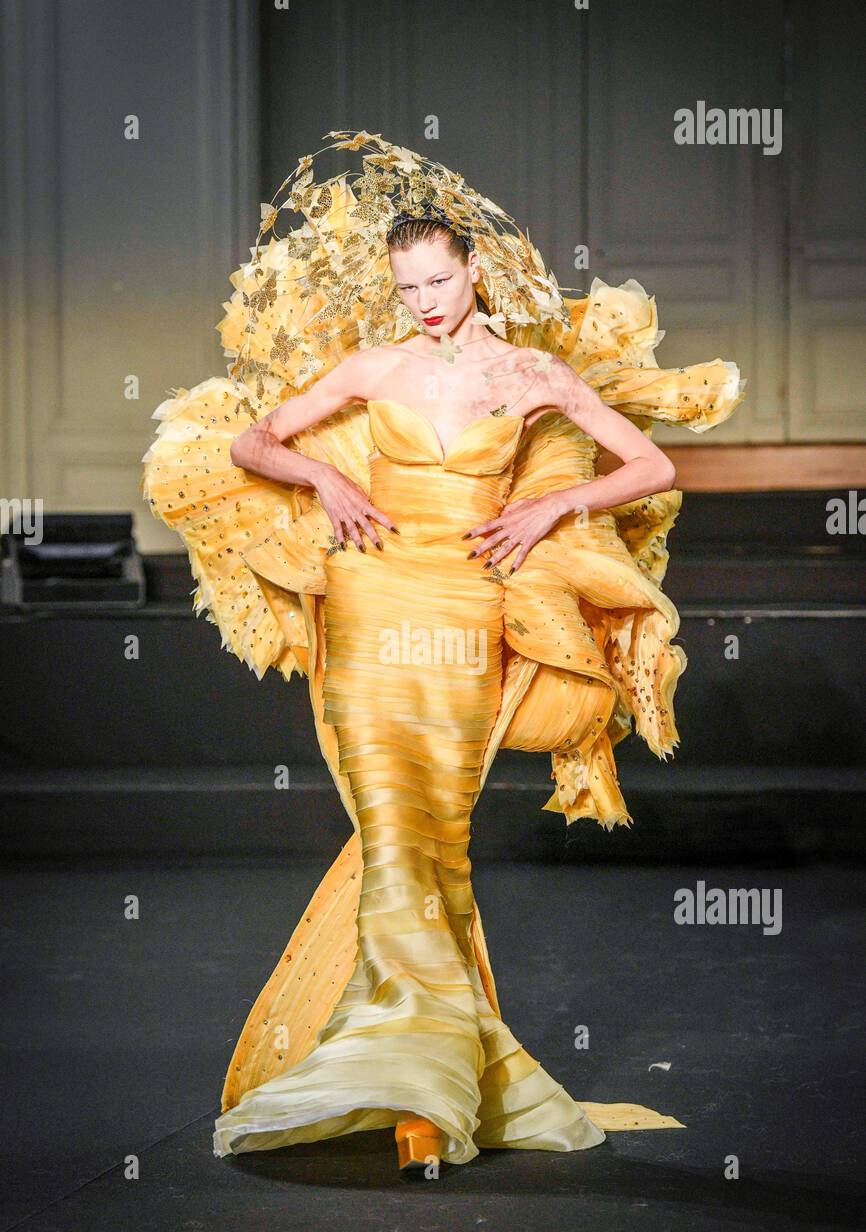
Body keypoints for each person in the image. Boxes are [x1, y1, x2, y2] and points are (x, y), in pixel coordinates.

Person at [141, 130, 746, 1174]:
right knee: (389, 827)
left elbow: (646, 463)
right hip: (371, 601)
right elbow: (251, 442)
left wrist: (554, 500)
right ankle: (401, 1082)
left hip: (468, 607)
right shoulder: (375, 364)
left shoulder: (529, 372)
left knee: (440, 837)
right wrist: (325, 482)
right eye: (406, 283)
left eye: (436, 278)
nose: (422, 297)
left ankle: (427, 1069)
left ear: (473, 271)